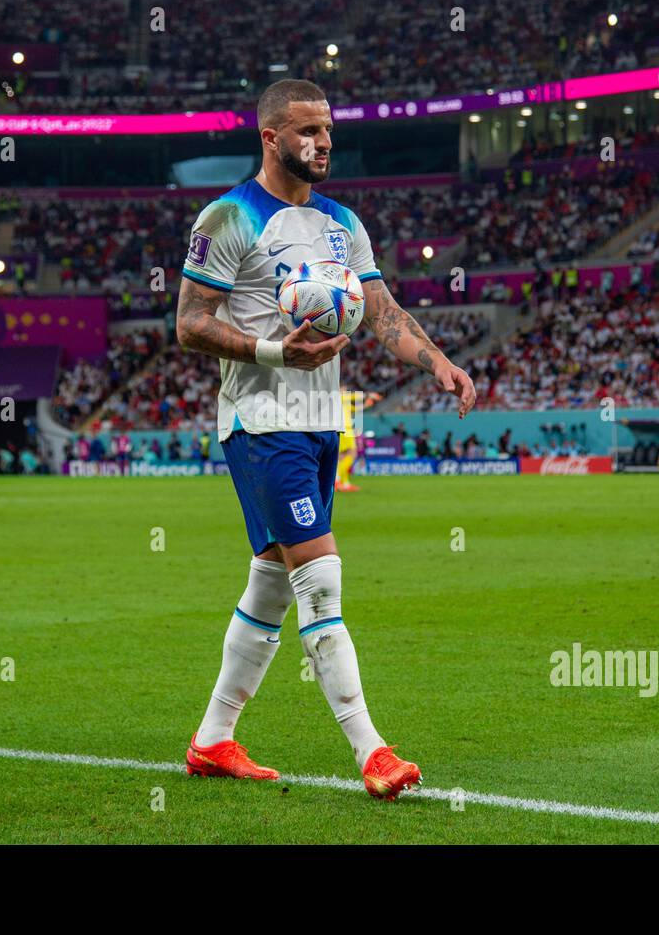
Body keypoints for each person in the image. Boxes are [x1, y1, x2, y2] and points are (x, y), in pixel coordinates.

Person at [175, 79, 476, 800]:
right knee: (322, 575)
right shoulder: (229, 217)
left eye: (329, 133)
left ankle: (213, 739)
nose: (323, 145)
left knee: (272, 582)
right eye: (307, 132)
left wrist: (436, 359)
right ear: (271, 138)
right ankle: (372, 751)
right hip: (260, 422)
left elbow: (381, 309)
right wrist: (280, 353)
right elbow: (189, 322)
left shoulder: (342, 223)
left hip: (318, 422)